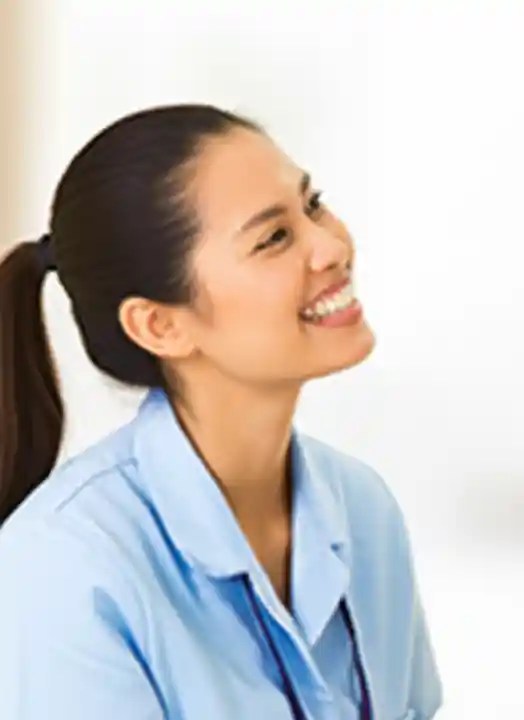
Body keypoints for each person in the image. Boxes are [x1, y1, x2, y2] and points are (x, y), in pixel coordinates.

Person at [0, 105, 442, 719]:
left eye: (312, 205)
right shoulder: (66, 566)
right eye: (274, 239)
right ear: (160, 324)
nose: (332, 246)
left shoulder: (364, 510)